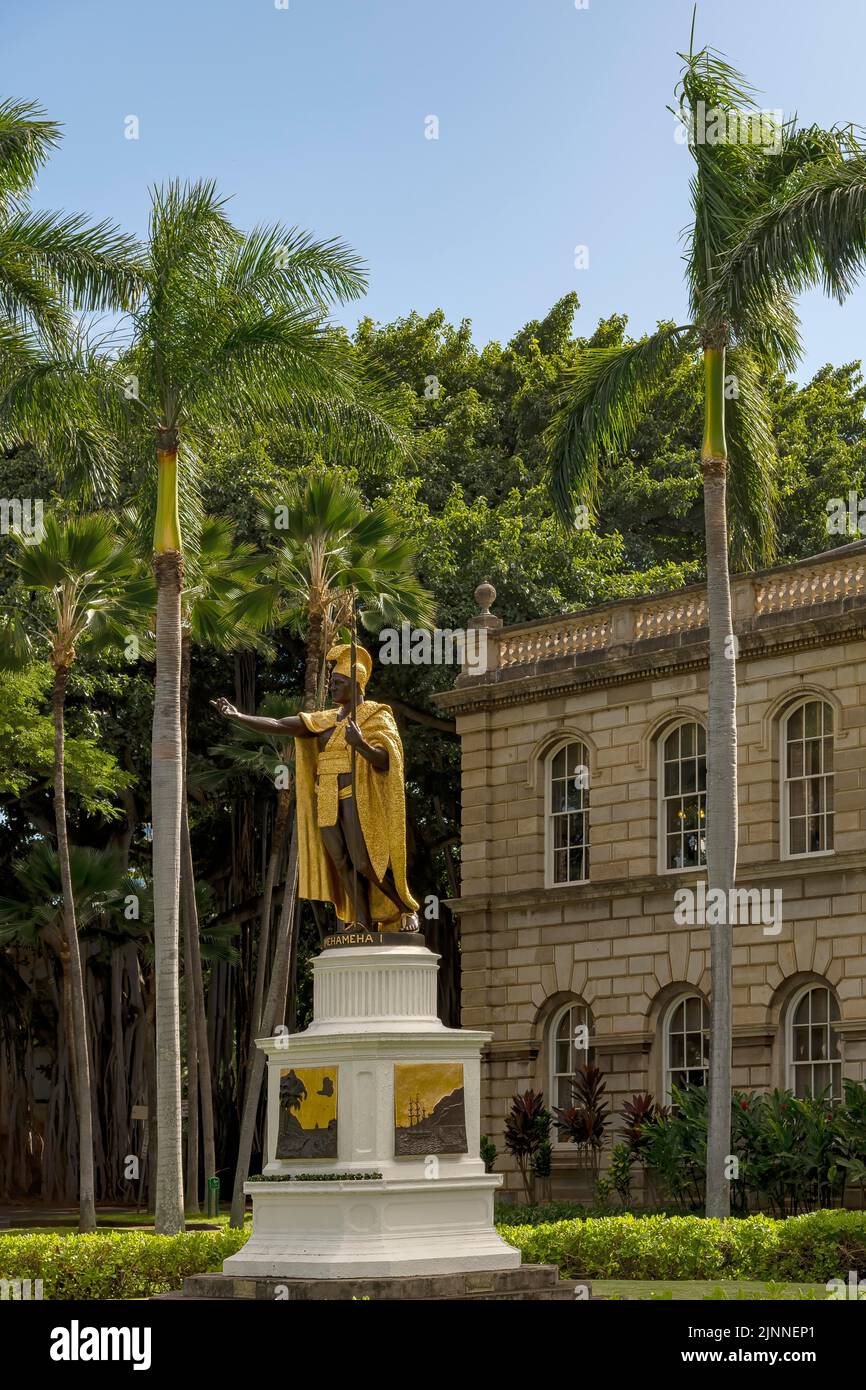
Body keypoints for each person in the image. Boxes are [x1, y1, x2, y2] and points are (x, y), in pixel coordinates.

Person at [212, 642, 419, 936]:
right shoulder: (322, 720)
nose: (332, 688)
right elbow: (278, 724)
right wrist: (239, 717)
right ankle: (362, 920)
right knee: (342, 862)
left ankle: (405, 907)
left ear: (356, 684)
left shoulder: (376, 716)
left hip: (358, 797)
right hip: (327, 797)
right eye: (331, 683)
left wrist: (360, 745)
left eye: (338, 683)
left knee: (365, 861)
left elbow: (388, 761)